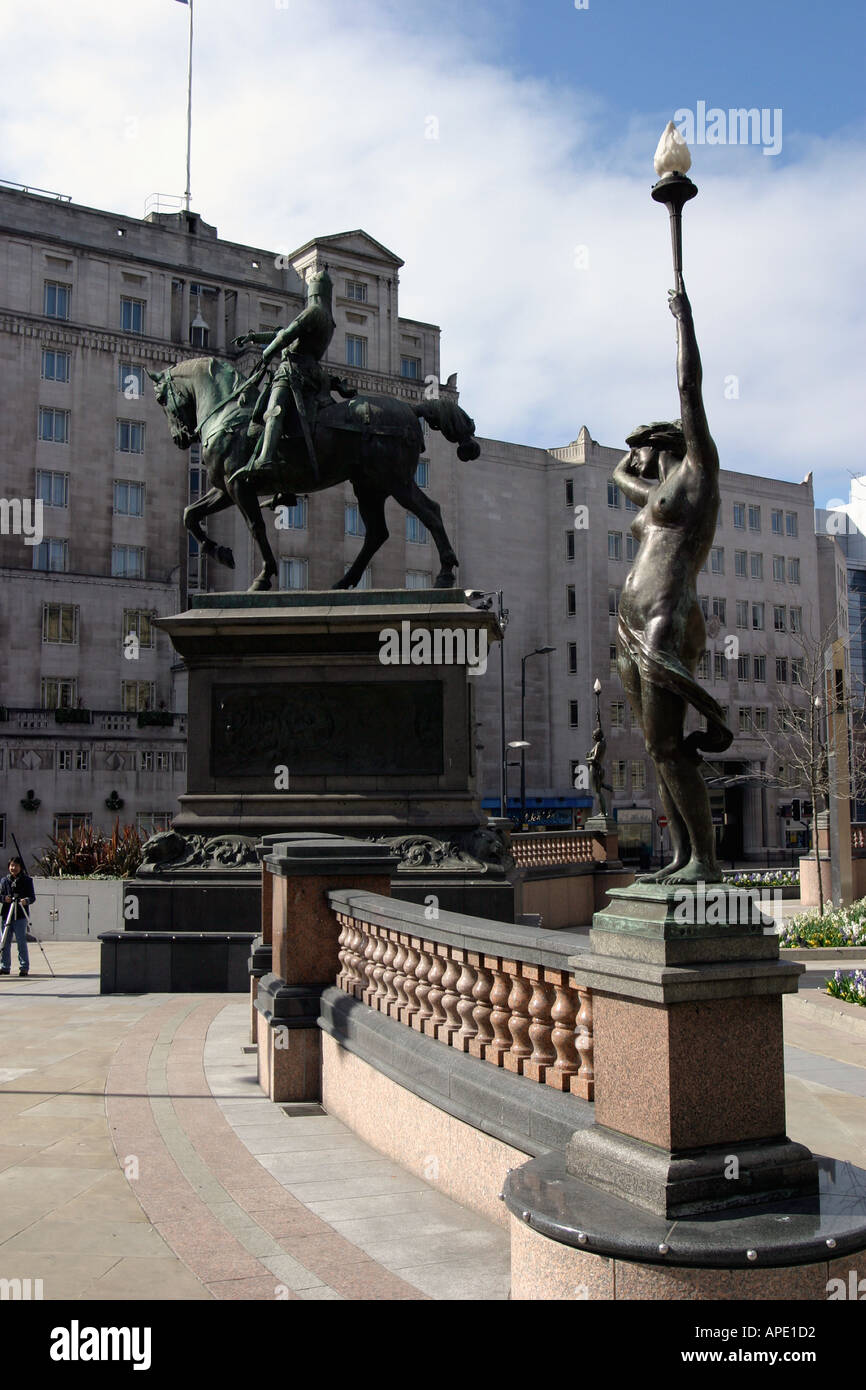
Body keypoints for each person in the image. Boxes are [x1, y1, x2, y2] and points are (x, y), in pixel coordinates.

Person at [612, 275, 732, 885]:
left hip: (667, 619)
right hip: (632, 623)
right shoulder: (652, 490)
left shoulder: (697, 471)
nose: (629, 459)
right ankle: (682, 858)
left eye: (637, 449)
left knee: (666, 744)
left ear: (657, 446)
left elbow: (691, 388)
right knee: (656, 747)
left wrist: (683, 320)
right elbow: (618, 475)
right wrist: (623, 464)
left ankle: (705, 865)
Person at [1, 856, 36, 977]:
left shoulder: (27, 880)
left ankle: (24, 967)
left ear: (20, 867)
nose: (13, 868)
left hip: (20, 915)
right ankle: (5, 967)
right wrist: (4, 898)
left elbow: (32, 897)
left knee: (21, 942)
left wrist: (26, 901)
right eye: (11, 865)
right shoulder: (5, 881)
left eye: (16, 865)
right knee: (4, 942)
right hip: (7, 915)